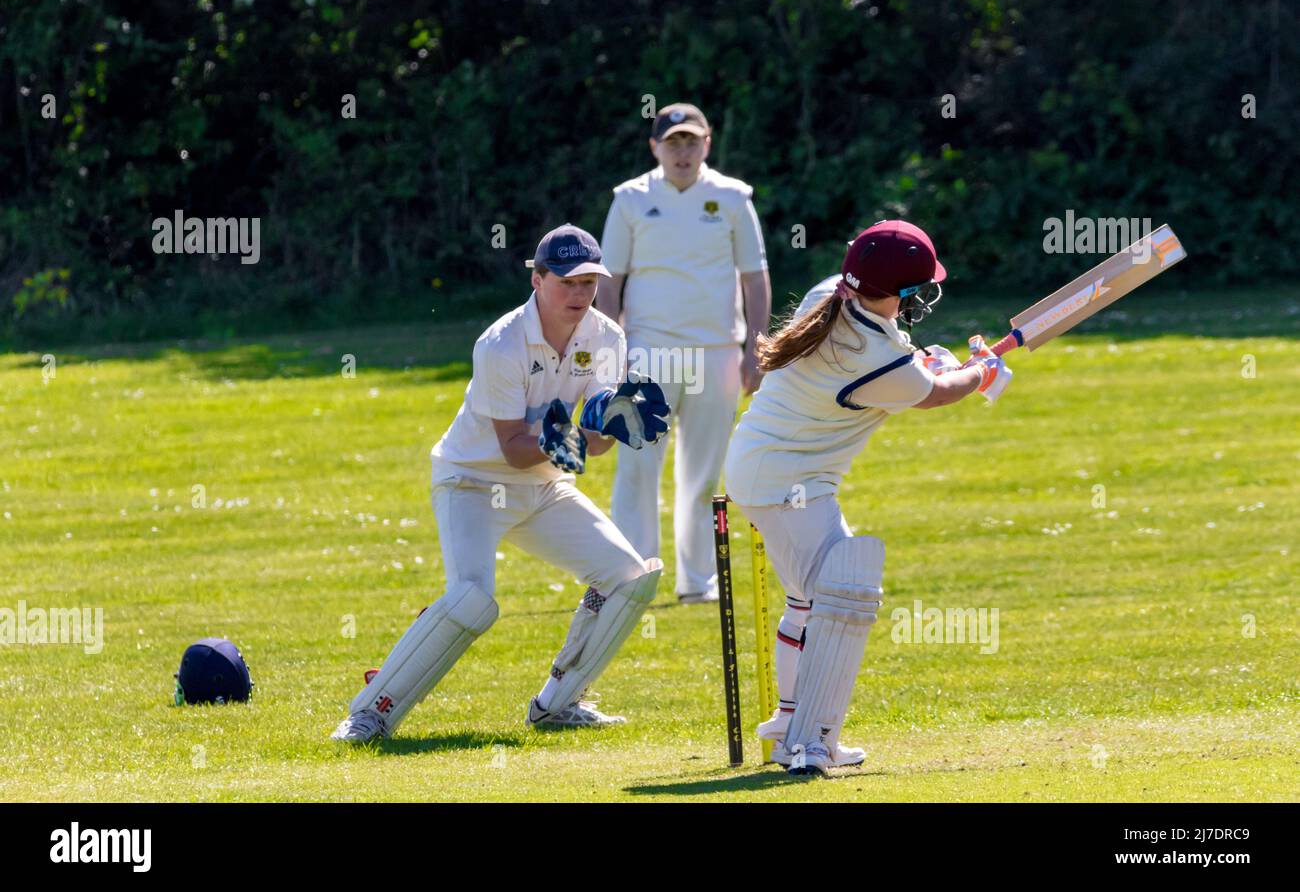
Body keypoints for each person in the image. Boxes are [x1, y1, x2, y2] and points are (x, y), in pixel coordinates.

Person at [332, 225, 671, 743]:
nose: (580, 294)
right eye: (567, 282)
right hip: (472, 482)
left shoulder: (607, 335)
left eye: (589, 282)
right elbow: (513, 447)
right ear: (537, 280)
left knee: (628, 576)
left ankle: (558, 703)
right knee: (472, 600)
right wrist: (567, 442)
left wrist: (613, 424)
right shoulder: (500, 343)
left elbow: (592, 444)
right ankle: (370, 713)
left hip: (544, 486)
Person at [723, 220, 1012, 776]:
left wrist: (939, 362)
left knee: (810, 600)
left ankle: (790, 723)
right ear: (903, 294)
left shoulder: (828, 295)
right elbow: (933, 394)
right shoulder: (869, 354)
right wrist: (980, 372)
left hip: (766, 470)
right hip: (789, 485)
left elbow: (909, 368)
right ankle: (807, 741)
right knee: (843, 598)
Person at [598, 102, 771, 603]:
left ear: (707, 144)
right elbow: (610, 281)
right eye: (673, 143)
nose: (683, 152)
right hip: (647, 351)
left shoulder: (734, 198)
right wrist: (612, 349)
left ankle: (698, 583)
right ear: (655, 147)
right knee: (637, 468)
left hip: (717, 350)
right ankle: (630, 581)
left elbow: (754, 277)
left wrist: (755, 348)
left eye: (691, 142)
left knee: (703, 473)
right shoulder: (630, 199)